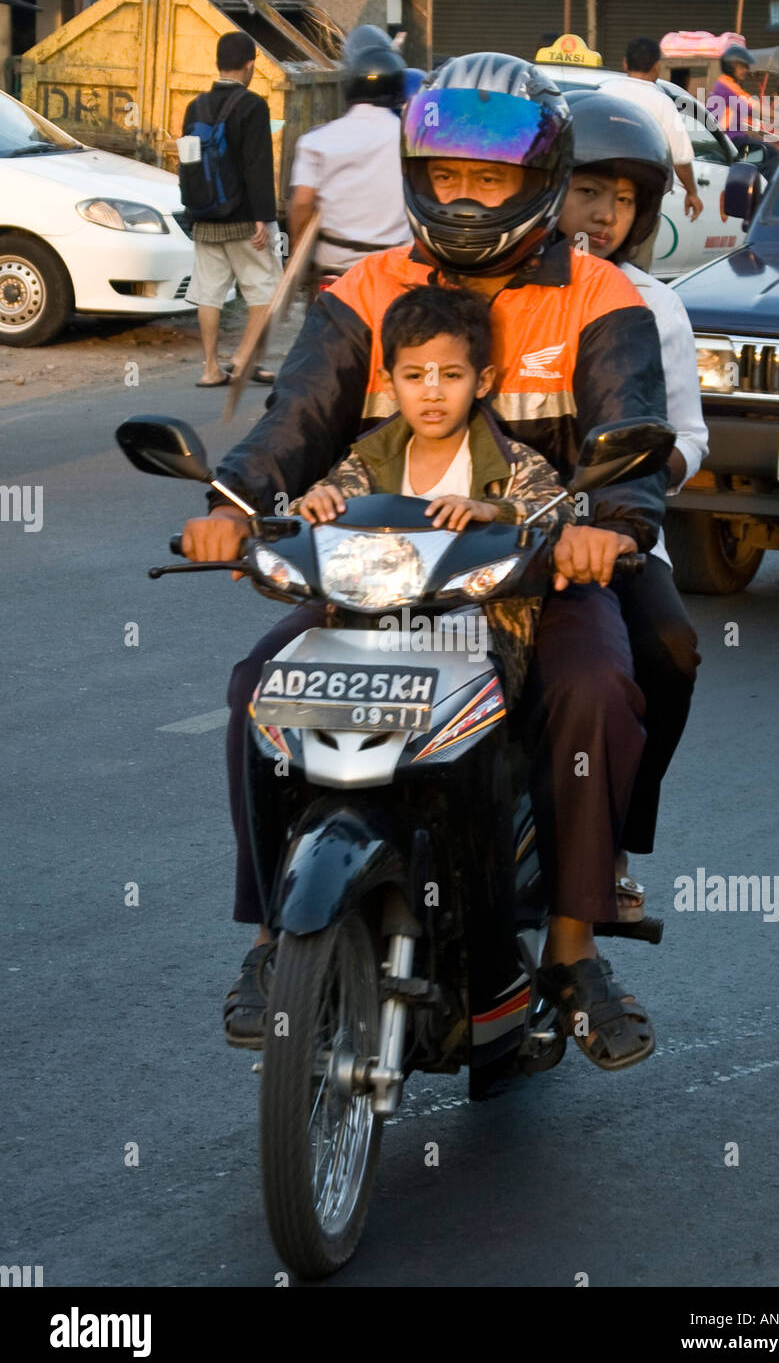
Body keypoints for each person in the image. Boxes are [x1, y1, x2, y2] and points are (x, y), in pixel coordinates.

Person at [183, 52, 672, 1073]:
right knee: (251, 693)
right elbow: (298, 418)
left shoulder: (597, 292)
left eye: (485, 179)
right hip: (377, 574)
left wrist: (607, 524)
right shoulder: (366, 284)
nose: (460, 197)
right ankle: (271, 940)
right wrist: (234, 505)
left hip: (535, 578)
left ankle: (576, 950)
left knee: (591, 689)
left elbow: (630, 432)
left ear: (537, 179)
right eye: (443, 175)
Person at [557, 89, 704, 915]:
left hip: (614, 538)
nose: (605, 213)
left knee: (673, 650)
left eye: (623, 200)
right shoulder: (504, 291)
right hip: (492, 533)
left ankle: (612, 841)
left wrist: (647, 475)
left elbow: (689, 436)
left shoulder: (658, 306)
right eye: (589, 191)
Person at [287, 284, 573, 707]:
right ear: (388, 382)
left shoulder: (515, 465)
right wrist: (309, 510)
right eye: (415, 376)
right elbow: (309, 515)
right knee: (259, 685)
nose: (433, 392)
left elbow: (558, 513)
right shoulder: (363, 463)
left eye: (452, 375)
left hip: (479, 648)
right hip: (363, 645)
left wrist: (491, 510)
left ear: (483, 381)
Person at [182, 31, 281, 388]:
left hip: (205, 216)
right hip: (242, 220)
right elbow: (257, 164)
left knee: (209, 293)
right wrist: (263, 217)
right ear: (250, 65)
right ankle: (242, 357)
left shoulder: (195, 107)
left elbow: (188, 163)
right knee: (266, 290)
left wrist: (192, 211)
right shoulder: (253, 106)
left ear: (218, 64)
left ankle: (210, 368)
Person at [288, 25, 412, 280]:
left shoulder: (316, 141)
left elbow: (302, 203)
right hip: (394, 270)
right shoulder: (411, 140)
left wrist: (297, 256)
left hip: (335, 270)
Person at [597, 35, 703, 269]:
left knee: (598, 259)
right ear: (657, 65)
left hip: (600, 189)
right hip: (643, 198)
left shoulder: (603, 91)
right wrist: (692, 192)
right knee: (636, 266)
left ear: (625, 64)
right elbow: (681, 157)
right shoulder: (662, 102)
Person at [708, 43, 765, 148]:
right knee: (773, 154)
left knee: (765, 146)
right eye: (741, 67)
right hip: (729, 140)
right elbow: (755, 109)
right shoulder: (726, 86)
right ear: (730, 67)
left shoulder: (730, 84)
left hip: (732, 138)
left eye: (746, 67)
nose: (746, 70)